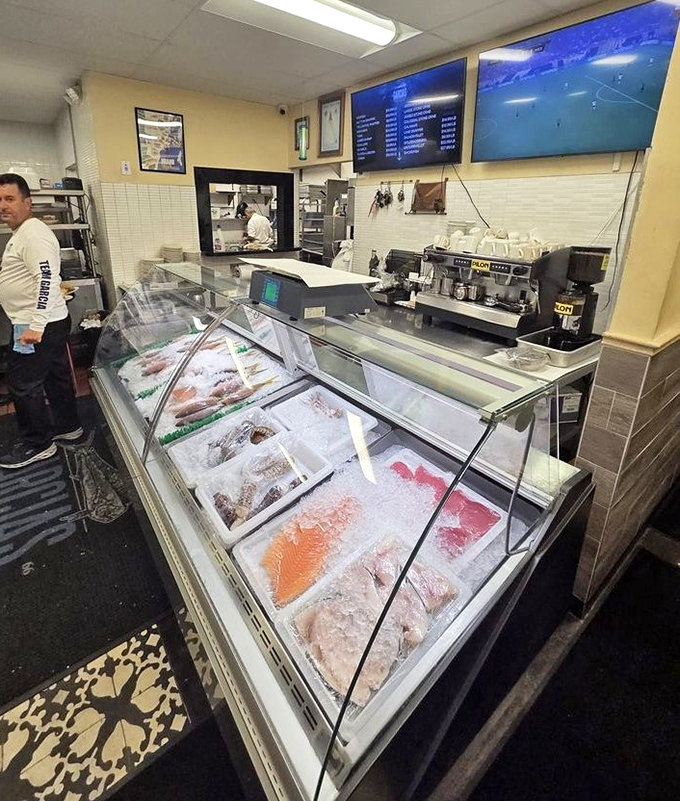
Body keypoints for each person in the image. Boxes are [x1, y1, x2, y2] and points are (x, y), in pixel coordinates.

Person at [0, 173, 82, 469]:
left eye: (9, 199)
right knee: (53, 376)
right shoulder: (23, 233)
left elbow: (46, 278)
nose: (3, 206)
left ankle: (38, 443)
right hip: (47, 321)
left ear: (27, 202)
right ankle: (67, 426)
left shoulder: (32, 233)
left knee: (23, 382)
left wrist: (35, 326)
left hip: (34, 325)